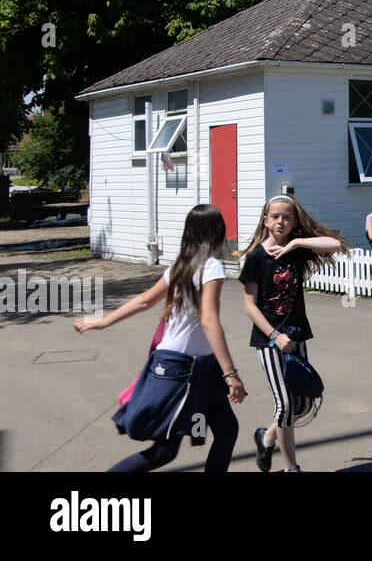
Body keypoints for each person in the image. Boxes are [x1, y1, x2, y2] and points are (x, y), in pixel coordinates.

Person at [75, 204, 245, 471]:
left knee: (226, 430)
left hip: (199, 366)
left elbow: (144, 301)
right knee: (164, 451)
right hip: (181, 367)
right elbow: (209, 319)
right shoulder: (210, 267)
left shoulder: (181, 265)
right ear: (219, 232)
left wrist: (102, 322)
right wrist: (230, 373)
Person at [240, 194, 348, 472]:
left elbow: (334, 243)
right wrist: (275, 336)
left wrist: (298, 242)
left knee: (301, 403)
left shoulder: (297, 250)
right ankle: (291, 468)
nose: (281, 221)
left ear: (294, 222)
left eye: (286, 217)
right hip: (269, 339)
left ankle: (265, 438)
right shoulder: (255, 257)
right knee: (285, 403)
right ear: (266, 220)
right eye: (275, 216)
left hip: (297, 334)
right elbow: (250, 306)